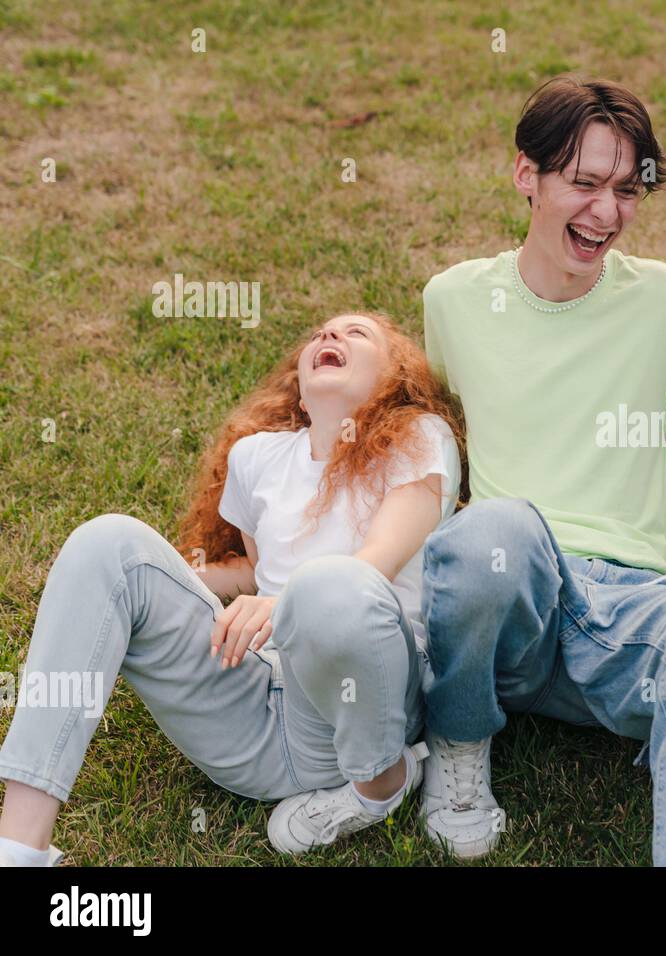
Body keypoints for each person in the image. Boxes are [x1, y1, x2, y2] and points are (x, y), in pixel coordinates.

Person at [417, 75, 666, 865]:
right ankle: (461, 741)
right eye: (583, 184)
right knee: (493, 530)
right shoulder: (456, 300)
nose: (607, 213)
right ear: (525, 176)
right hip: (516, 613)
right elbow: (445, 453)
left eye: (626, 189)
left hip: (630, 620)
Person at [0, 312, 463, 865]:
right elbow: (258, 572)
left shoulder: (419, 438)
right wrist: (136, 586)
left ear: (396, 377)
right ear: (301, 390)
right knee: (109, 544)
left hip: (352, 716)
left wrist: (287, 602)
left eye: (356, 333)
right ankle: (18, 847)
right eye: (319, 333)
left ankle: (383, 784)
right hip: (249, 719)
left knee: (328, 586)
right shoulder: (258, 458)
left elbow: (374, 564)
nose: (328, 337)